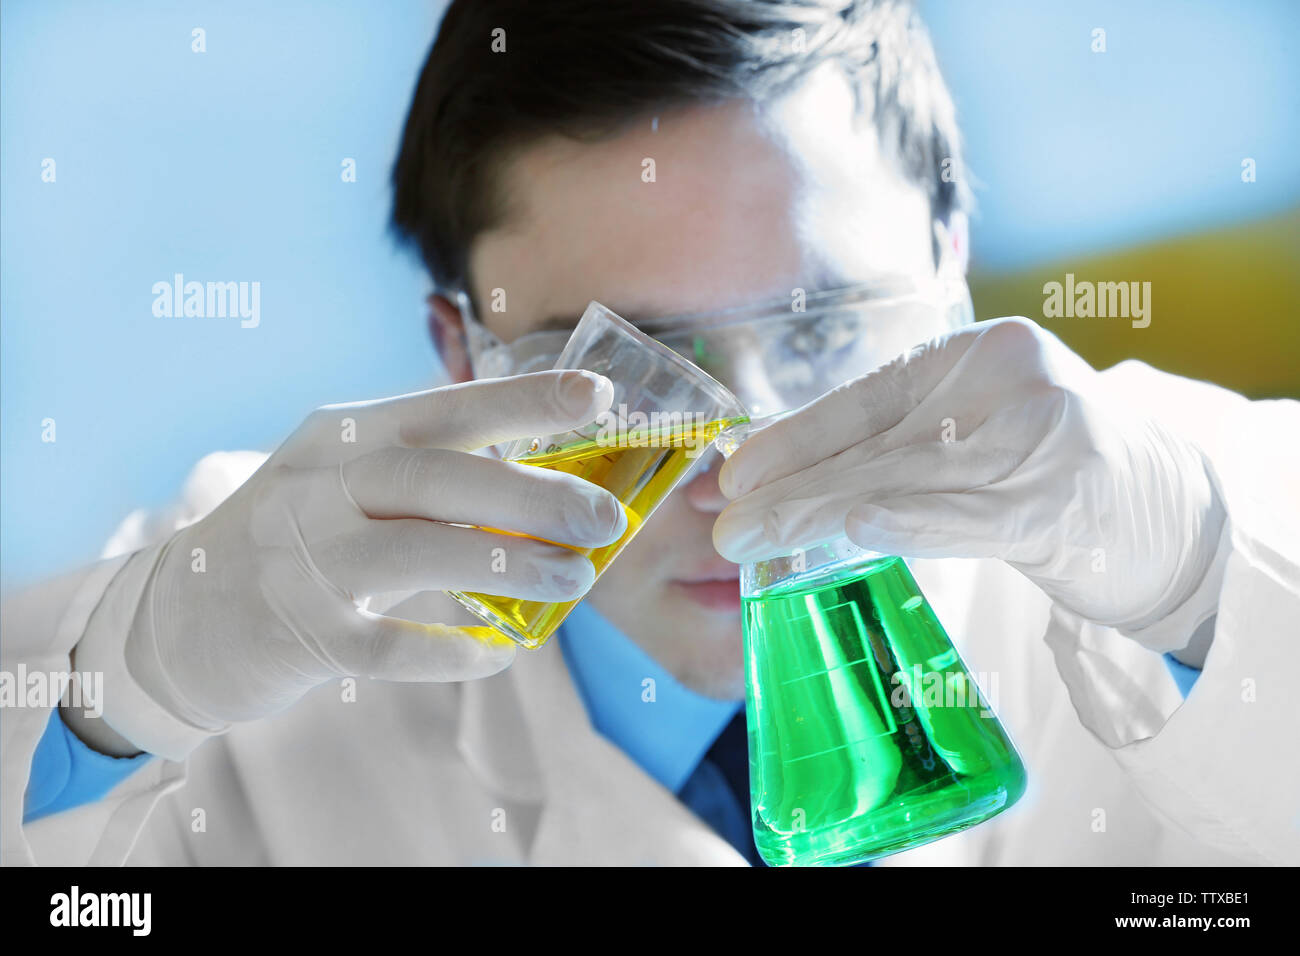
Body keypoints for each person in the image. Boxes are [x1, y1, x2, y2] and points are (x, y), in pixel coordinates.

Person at [3, 0, 1297, 867]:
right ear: (460, 356)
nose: (738, 473)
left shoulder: (1178, 514)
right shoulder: (249, 629)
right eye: (627, 369)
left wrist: (1199, 584)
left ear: (951, 261)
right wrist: (110, 698)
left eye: (820, 326)